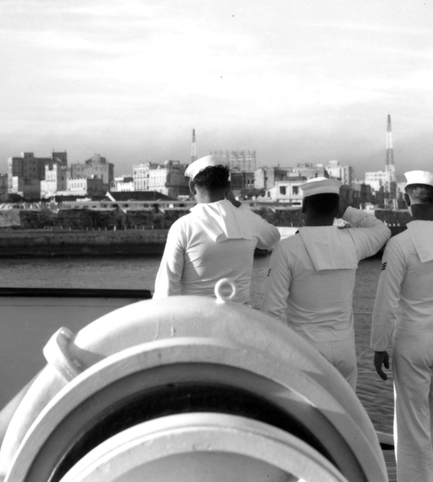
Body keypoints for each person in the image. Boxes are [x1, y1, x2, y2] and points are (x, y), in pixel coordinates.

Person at [370, 171, 433, 482]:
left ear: (404, 200)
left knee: (412, 428)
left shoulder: (399, 244)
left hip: (411, 341)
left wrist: (379, 345)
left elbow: (386, 301)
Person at [262, 177, 391, 388]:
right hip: (345, 351)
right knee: (345, 419)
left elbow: (272, 313)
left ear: (304, 206)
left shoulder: (287, 249)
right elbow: (381, 230)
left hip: (305, 351)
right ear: (335, 208)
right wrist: (346, 211)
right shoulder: (352, 241)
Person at [153, 155, 281, 303]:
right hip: (242, 319)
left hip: (197, 319)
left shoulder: (183, 227)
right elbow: (273, 237)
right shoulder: (249, 221)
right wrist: (237, 205)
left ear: (192, 186)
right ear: (228, 188)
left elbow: (166, 289)